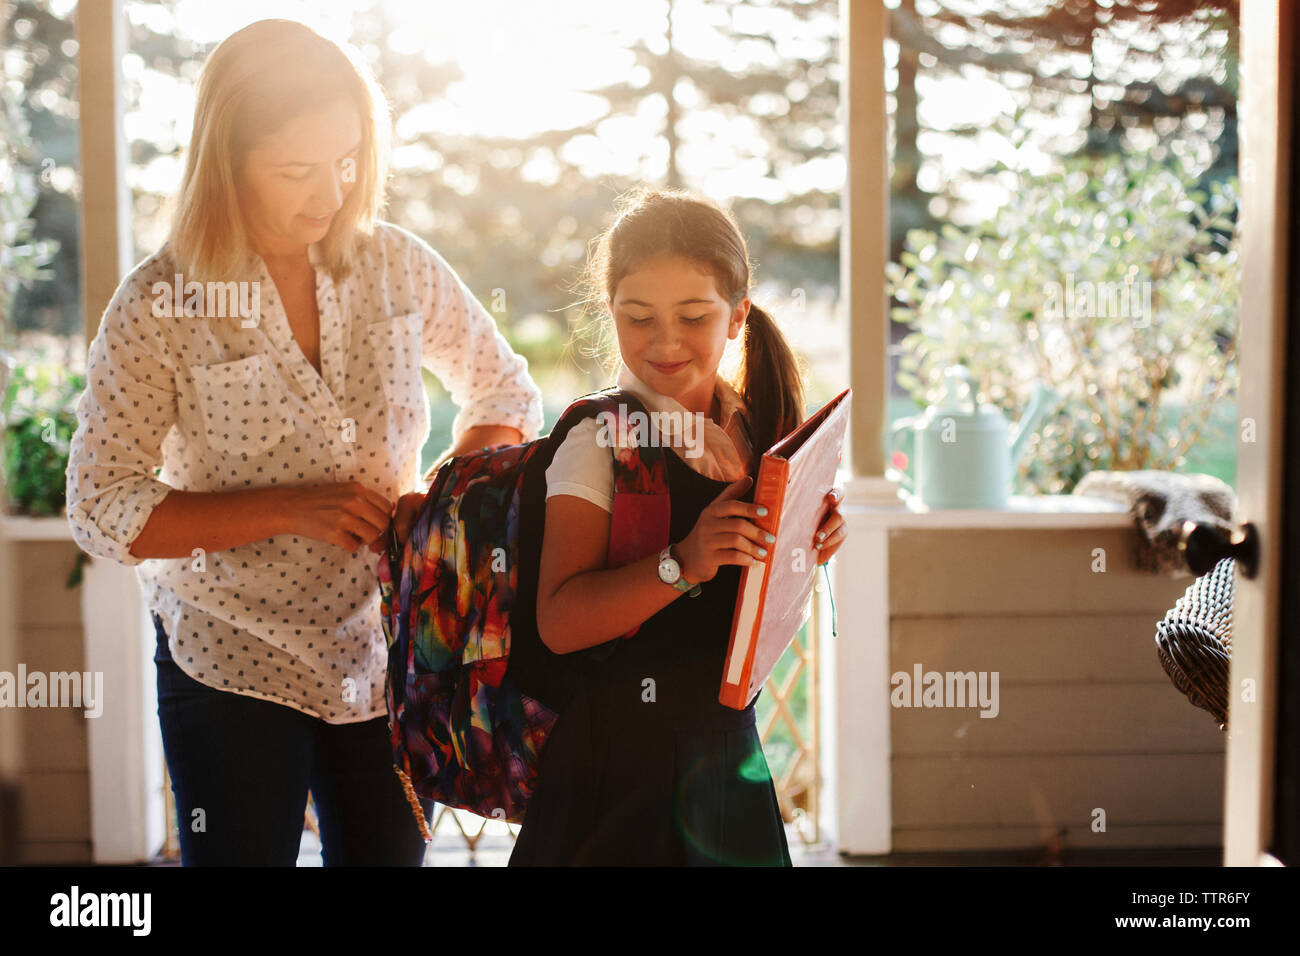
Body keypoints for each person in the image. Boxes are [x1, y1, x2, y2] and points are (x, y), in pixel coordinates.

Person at [64, 19, 544, 866]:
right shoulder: (157, 304)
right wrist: (287, 508)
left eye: (347, 159)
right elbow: (102, 507)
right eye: (295, 169)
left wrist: (431, 505)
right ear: (226, 163)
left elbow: (504, 391)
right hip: (230, 655)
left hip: (387, 649)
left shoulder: (398, 266)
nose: (328, 192)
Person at [508, 187, 846, 867]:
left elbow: (756, 606)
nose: (665, 342)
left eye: (694, 317)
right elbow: (560, 620)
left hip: (725, 756)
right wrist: (685, 561)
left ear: (737, 317)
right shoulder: (599, 440)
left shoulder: (758, 427)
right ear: (612, 314)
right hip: (613, 777)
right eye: (638, 318)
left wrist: (812, 540)